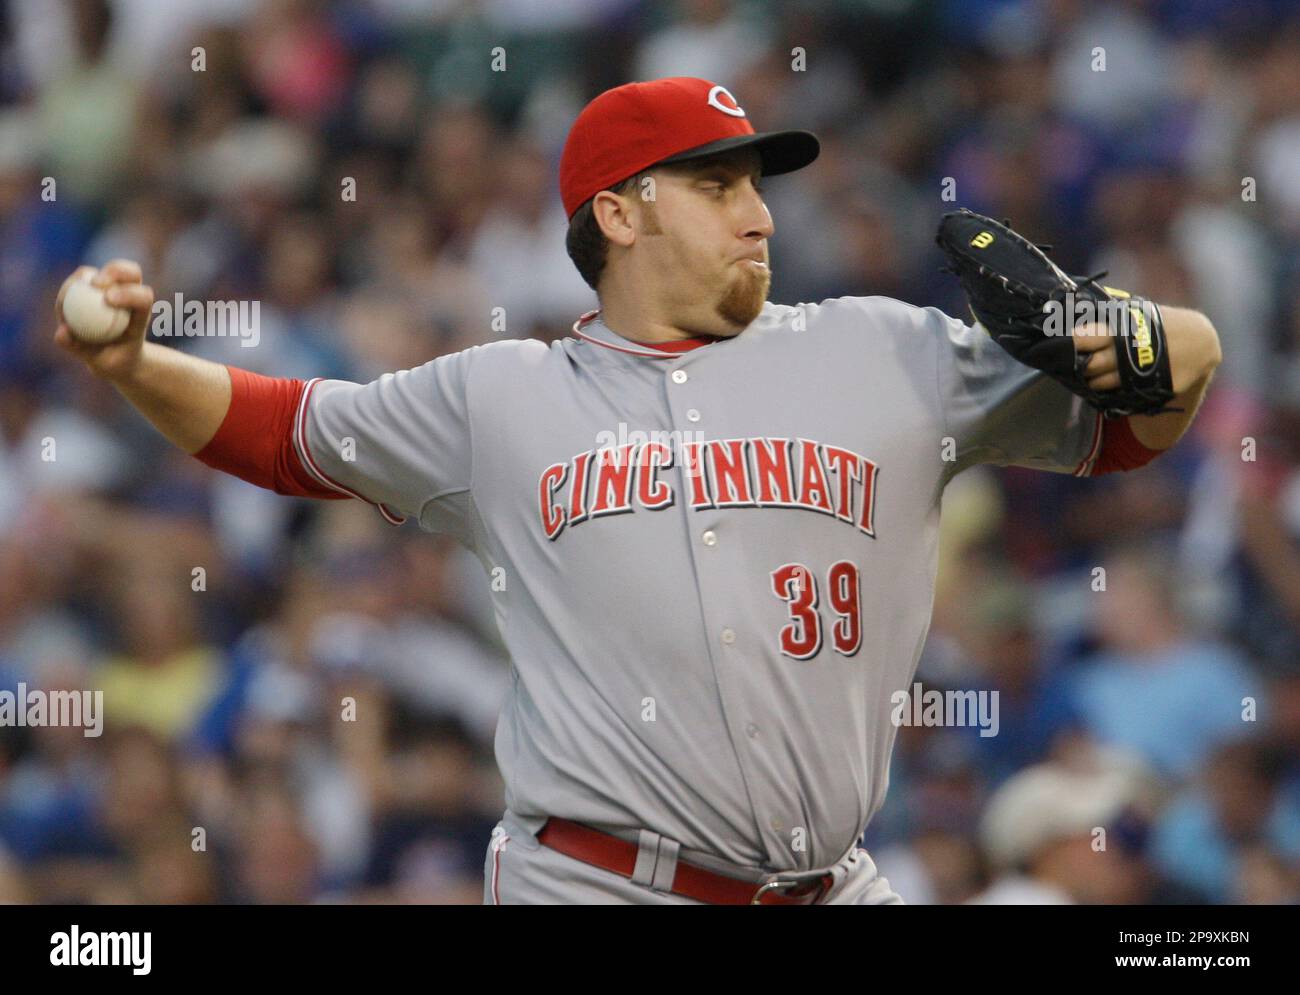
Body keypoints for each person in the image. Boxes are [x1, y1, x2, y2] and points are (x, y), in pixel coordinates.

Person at [53, 77, 1223, 904]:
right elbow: (285, 432)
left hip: (832, 883)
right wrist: (133, 364)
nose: (759, 211)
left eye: (755, 183)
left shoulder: (886, 350)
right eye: (716, 184)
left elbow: (1137, 425)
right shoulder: (499, 397)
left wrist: (1157, 338)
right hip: (596, 884)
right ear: (617, 211)